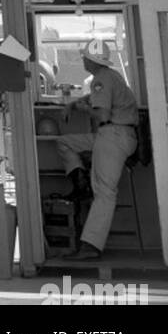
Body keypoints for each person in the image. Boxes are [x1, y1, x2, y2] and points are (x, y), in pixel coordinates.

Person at [56, 39, 138, 259]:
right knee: (65, 142)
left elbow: (102, 114)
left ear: (91, 60)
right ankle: (81, 183)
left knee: (104, 192)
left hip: (113, 136)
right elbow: (95, 97)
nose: (82, 59)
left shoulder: (100, 80)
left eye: (84, 56)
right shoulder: (111, 76)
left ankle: (91, 246)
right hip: (115, 135)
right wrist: (73, 103)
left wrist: (83, 109)